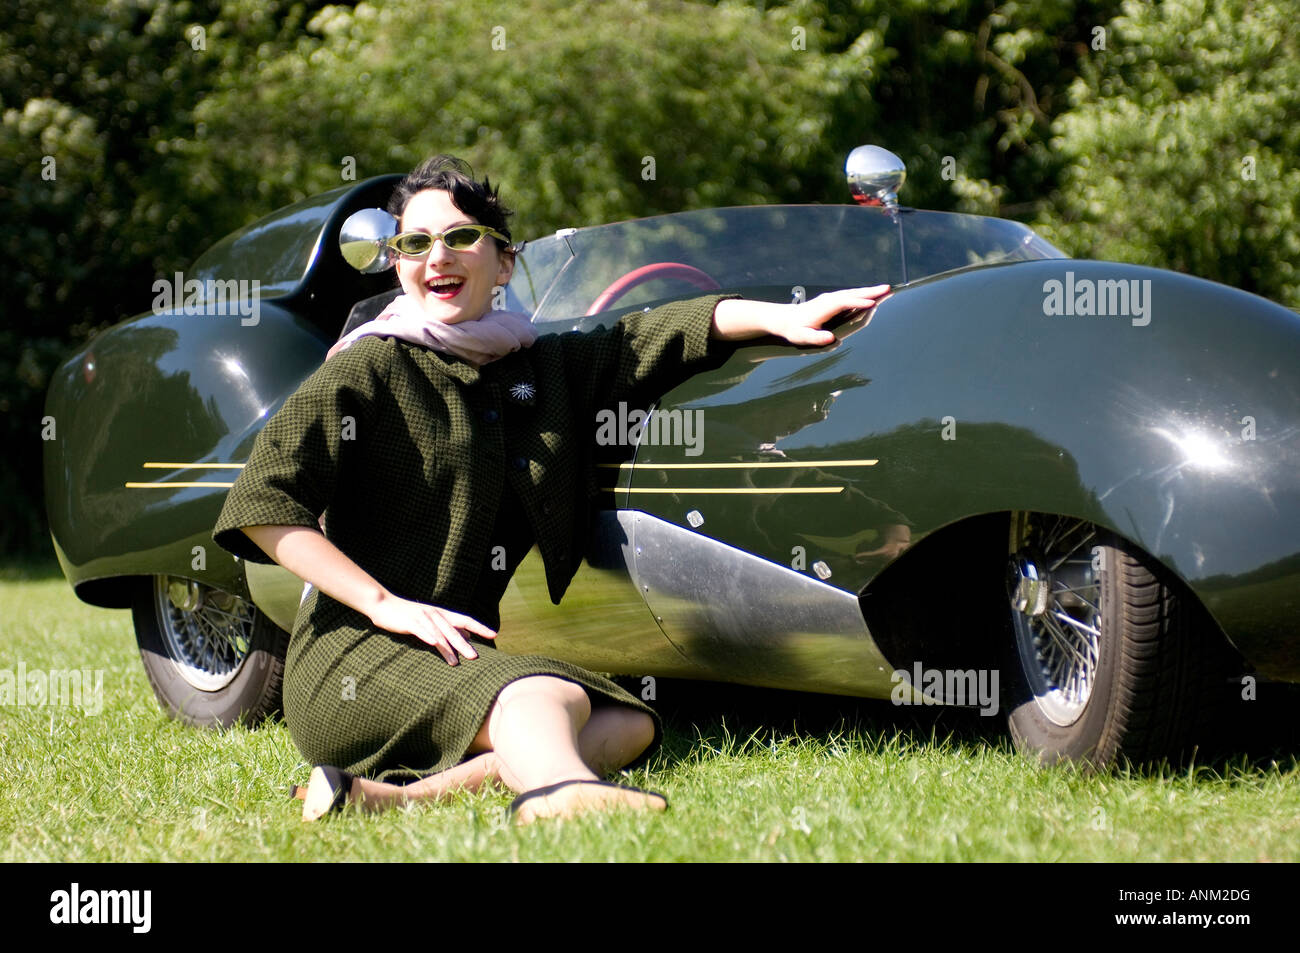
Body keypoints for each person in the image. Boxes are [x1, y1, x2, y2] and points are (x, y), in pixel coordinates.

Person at [212, 155, 889, 823]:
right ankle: (561, 792)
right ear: (396, 263)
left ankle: (394, 799)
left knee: (627, 723)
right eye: (415, 244)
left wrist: (781, 316)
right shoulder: (367, 365)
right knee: (540, 696)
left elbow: (649, 335)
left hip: (458, 652)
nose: (437, 257)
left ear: (504, 262)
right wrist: (385, 604)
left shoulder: (542, 366)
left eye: (460, 237)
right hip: (353, 659)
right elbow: (262, 503)